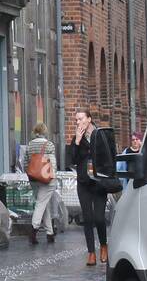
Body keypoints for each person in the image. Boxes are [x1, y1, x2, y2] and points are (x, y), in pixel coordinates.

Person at [69, 106, 114, 267]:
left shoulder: (99, 134)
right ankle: (91, 253)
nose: (78, 122)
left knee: (99, 218)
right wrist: (77, 141)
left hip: (98, 183)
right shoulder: (76, 138)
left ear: (89, 119)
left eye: (81, 119)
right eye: (76, 120)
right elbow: (72, 160)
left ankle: (103, 245)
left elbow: (109, 156)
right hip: (84, 183)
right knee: (87, 219)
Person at [25, 122, 58, 245]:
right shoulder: (49, 145)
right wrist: (53, 177)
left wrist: (30, 176)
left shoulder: (30, 145)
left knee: (44, 205)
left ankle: (50, 234)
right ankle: (33, 230)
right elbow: (53, 164)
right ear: (45, 132)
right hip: (47, 179)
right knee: (41, 204)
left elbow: (25, 163)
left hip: (34, 178)